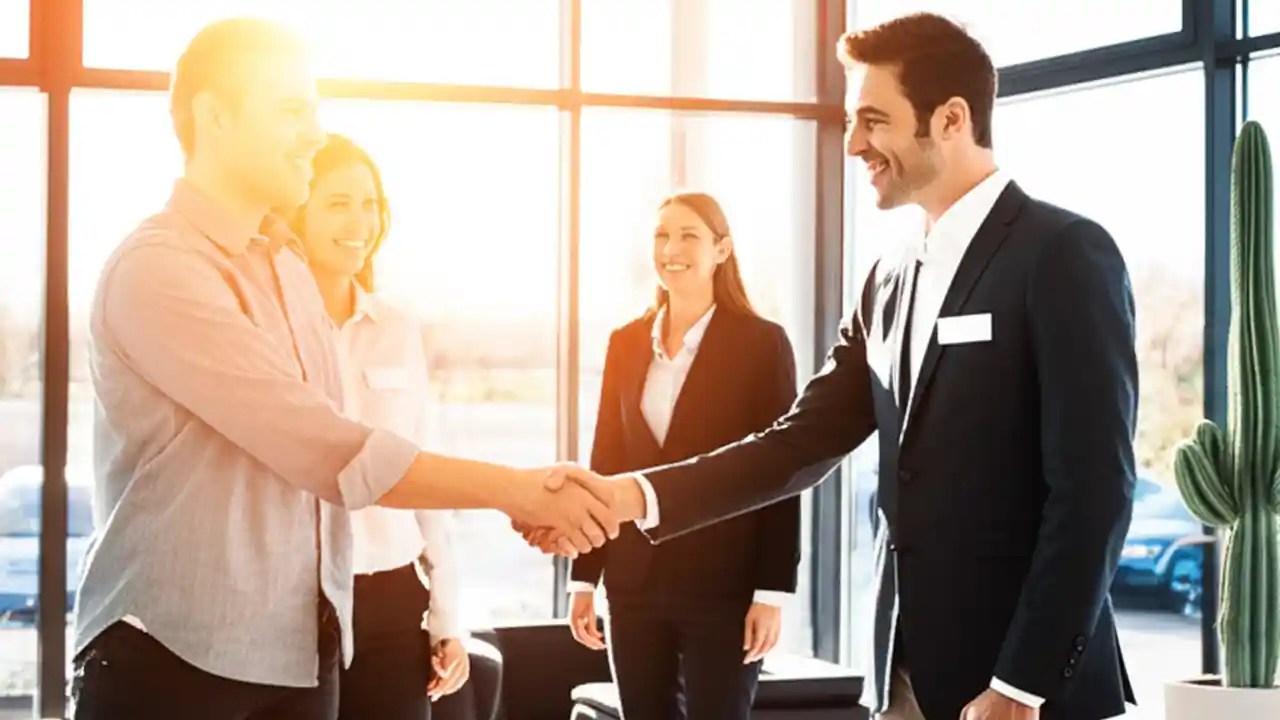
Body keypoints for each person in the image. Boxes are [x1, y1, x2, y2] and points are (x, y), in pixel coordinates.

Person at [531, 12, 1138, 720]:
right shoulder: (886, 277)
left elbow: (1094, 490)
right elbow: (797, 442)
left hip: (1021, 689)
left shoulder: (1062, 253)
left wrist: (1022, 684)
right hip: (906, 671)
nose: (853, 144)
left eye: (873, 120)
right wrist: (630, 497)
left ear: (950, 119)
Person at [71, 18, 614, 720]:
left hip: (301, 652)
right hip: (172, 658)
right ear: (214, 117)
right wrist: (516, 490)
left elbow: (340, 473)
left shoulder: (288, 269)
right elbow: (324, 447)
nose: (314, 134)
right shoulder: (160, 269)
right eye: (291, 109)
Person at [565, 193, 800, 718]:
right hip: (634, 584)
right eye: (662, 236)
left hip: (725, 588)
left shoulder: (762, 344)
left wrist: (771, 591)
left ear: (722, 250)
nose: (671, 248)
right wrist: (584, 577)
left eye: (689, 235)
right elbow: (605, 461)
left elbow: (781, 471)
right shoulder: (624, 343)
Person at [288, 133, 476, 718]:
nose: (360, 220)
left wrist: (446, 615)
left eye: (370, 204)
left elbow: (421, 467)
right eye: (338, 202)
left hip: (393, 596)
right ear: (299, 211)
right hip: (294, 599)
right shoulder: (270, 327)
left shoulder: (398, 326)